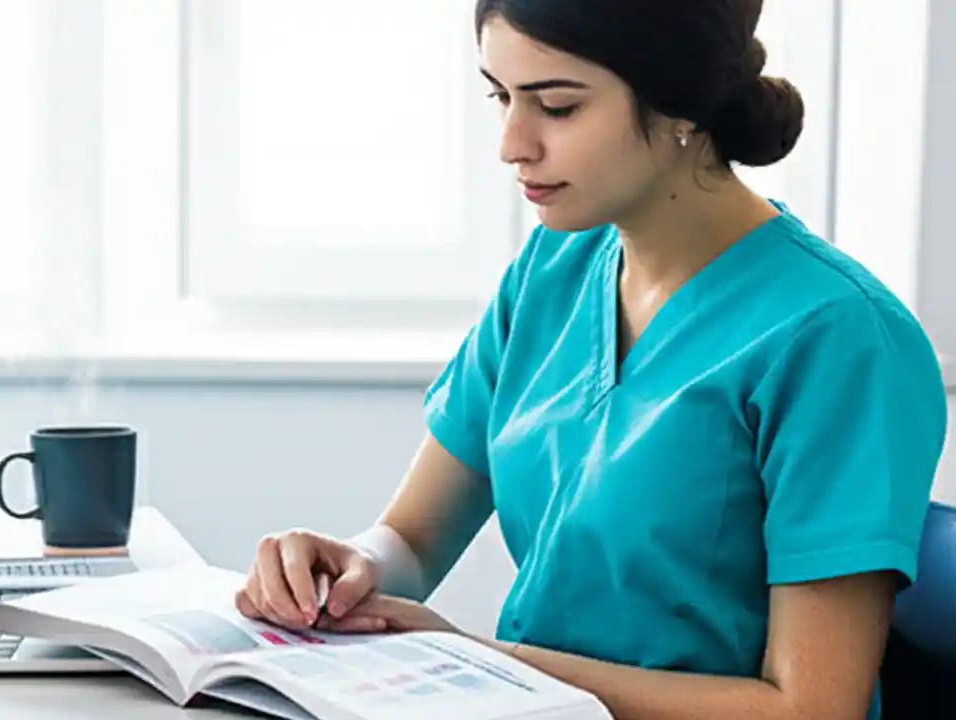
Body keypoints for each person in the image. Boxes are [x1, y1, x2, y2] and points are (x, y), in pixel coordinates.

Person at [234, 1, 948, 718]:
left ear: (683, 108)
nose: (512, 143)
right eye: (501, 96)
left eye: (557, 106)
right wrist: (352, 568)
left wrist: (487, 665)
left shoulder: (838, 337)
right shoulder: (554, 267)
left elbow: (811, 709)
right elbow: (415, 540)